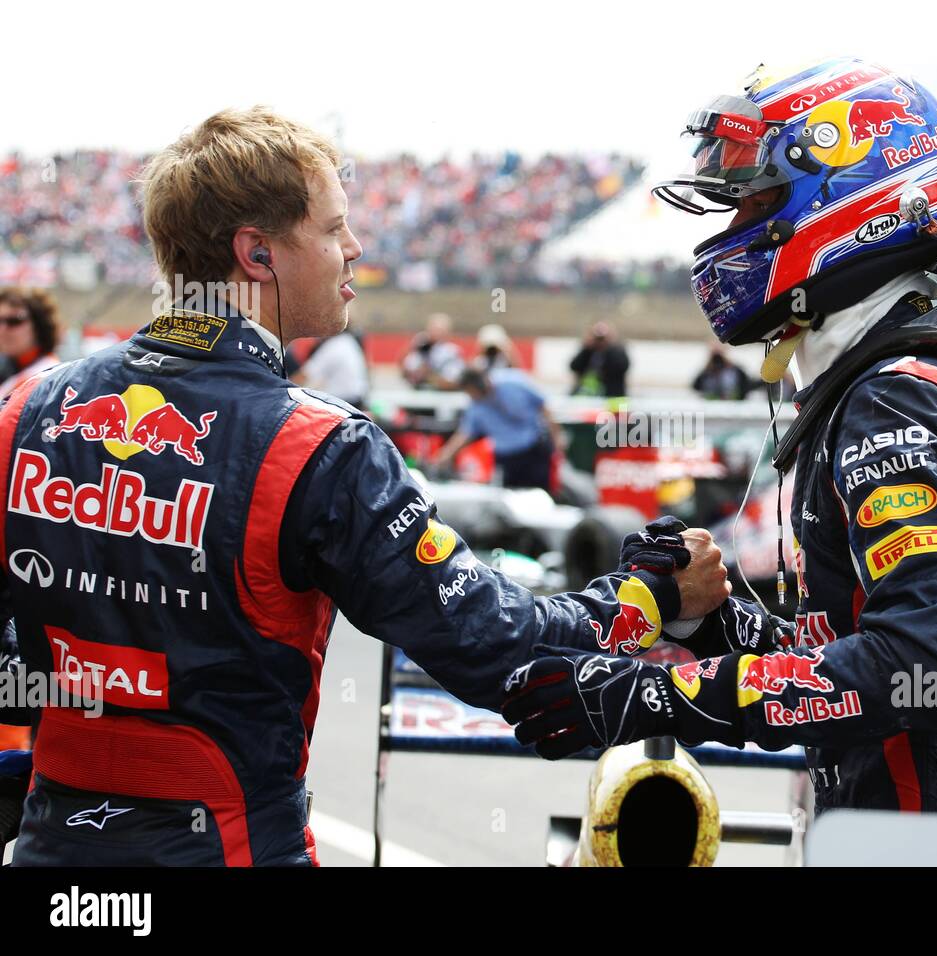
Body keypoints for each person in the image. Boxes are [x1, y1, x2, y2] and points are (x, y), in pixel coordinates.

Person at [0, 107, 729, 866]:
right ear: (257, 253)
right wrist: (650, 598)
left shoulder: (25, 410)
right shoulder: (317, 446)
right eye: (332, 227)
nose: (355, 249)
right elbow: (494, 645)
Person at [503, 59, 937, 817]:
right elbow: (845, 666)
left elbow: (919, 669)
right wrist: (712, 623)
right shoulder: (888, 385)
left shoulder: (897, 405)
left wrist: (652, 696)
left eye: (753, 207)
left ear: (854, 203)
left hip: (936, 841)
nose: (733, 235)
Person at [434, 367, 560, 490]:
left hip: (533, 451)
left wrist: (557, 438)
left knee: (540, 494)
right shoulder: (476, 406)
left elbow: (544, 406)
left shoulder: (512, 382)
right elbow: (466, 433)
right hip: (507, 458)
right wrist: (447, 454)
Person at [0, 288, 63, 401]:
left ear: (39, 326)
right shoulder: (8, 369)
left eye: (14, 321)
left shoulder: (47, 376)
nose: (3, 329)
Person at [297, 327, 369, 407]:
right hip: (356, 400)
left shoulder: (334, 345)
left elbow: (305, 375)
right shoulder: (348, 341)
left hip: (343, 402)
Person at [402, 312, 464, 390]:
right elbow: (406, 371)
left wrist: (428, 376)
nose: (435, 334)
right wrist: (412, 347)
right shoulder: (421, 348)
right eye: (433, 330)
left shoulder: (451, 352)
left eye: (439, 330)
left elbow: (453, 381)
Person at [569, 321, 629, 397]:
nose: (600, 340)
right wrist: (587, 348)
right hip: (587, 397)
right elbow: (574, 366)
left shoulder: (617, 350)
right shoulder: (588, 351)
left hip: (613, 397)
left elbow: (623, 366)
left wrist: (610, 346)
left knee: (622, 408)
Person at [692, 343, 758, 400]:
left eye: (719, 354)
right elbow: (695, 386)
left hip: (733, 405)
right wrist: (708, 368)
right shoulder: (706, 373)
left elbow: (748, 385)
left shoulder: (736, 371)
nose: (718, 359)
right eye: (715, 354)